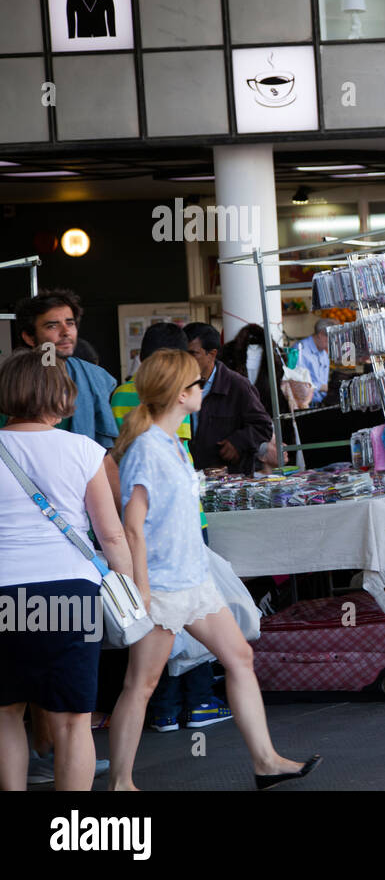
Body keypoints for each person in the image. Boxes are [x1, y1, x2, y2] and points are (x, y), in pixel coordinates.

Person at [107, 349, 319, 789]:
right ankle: (121, 783)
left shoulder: (168, 441)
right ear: (181, 394)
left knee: (239, 656)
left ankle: (266, 760)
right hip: (164, 587)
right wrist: (142, 589)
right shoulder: (149, 447)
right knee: (141, 686)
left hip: (192, 580)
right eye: (197, 384)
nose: (204, 389)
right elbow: (132, 527)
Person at [0, 351, 134, 791]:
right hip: (70, 594)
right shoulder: (84, 450)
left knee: (6, 714)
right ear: (59, 394)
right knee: (74, 722)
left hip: (5, 594)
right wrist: (131, 588)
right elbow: (111, 536)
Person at [112, 323, 231, 734]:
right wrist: (142, 585)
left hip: (163, 549)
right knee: (161, 659)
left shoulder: (123, 397)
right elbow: (135, 523)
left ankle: (166, 712)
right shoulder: (159, 431)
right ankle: (197, 702)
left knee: (152, 672)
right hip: (176, 542)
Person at [14, 289, 118, 449]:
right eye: (52, 326)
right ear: (29, 337)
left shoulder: (92, 375)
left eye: (70, 323)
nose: (65, 332)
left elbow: (104, 452)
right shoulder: (12, 381)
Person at [183, 323, 273, 475]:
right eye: (183, 354)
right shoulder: (178, 384)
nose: (186, 360)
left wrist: (238, 442)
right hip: (188, 477)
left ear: (211, 354)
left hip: (228, 483)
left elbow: (263, 426)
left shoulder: (237, 386)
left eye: (193, 354)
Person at [293, 320, 332, 406]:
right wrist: (321, 387)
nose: (332, 343)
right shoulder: (299, 350)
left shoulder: (324, 354)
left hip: (321, 403)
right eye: (330, 338)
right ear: (321, 334)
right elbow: (296, 382)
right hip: (304, 405)